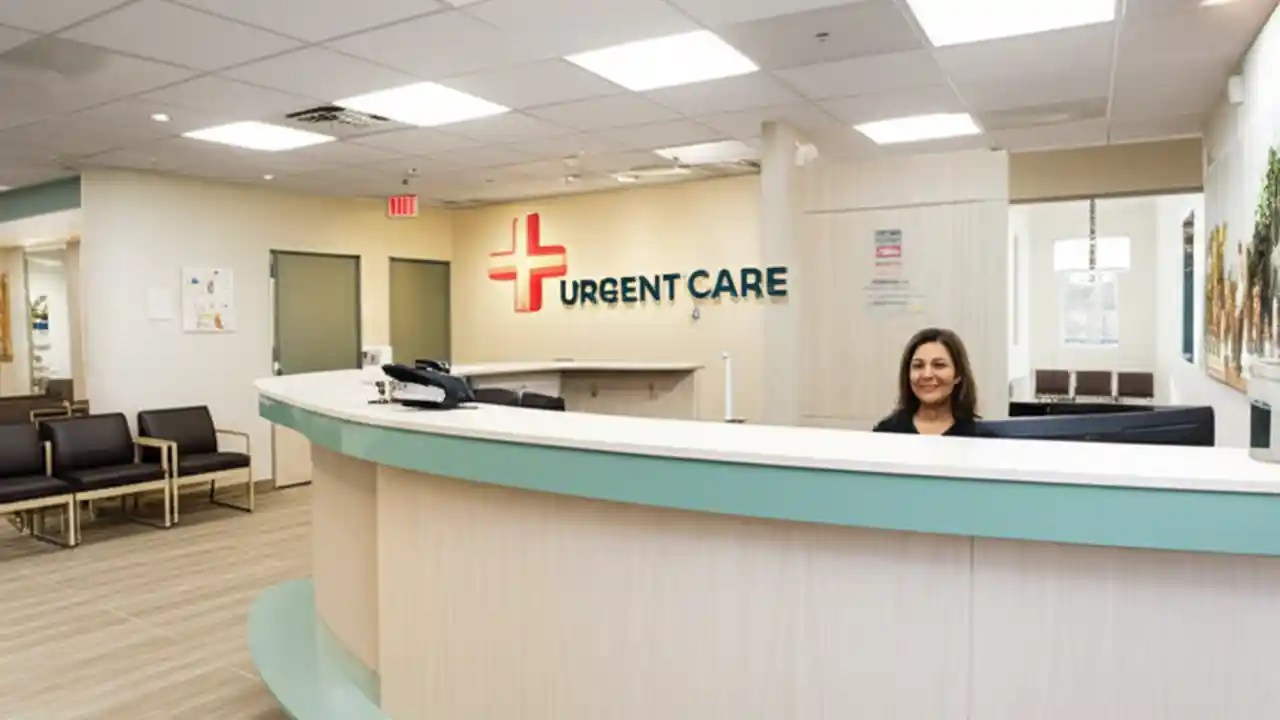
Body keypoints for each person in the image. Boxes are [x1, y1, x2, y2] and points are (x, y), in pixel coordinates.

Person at [873, 327, 989, 437]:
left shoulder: (980, 439)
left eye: (939, 365)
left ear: (957, 375)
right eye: (918, 366)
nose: (927, 375)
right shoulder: (886, 433)